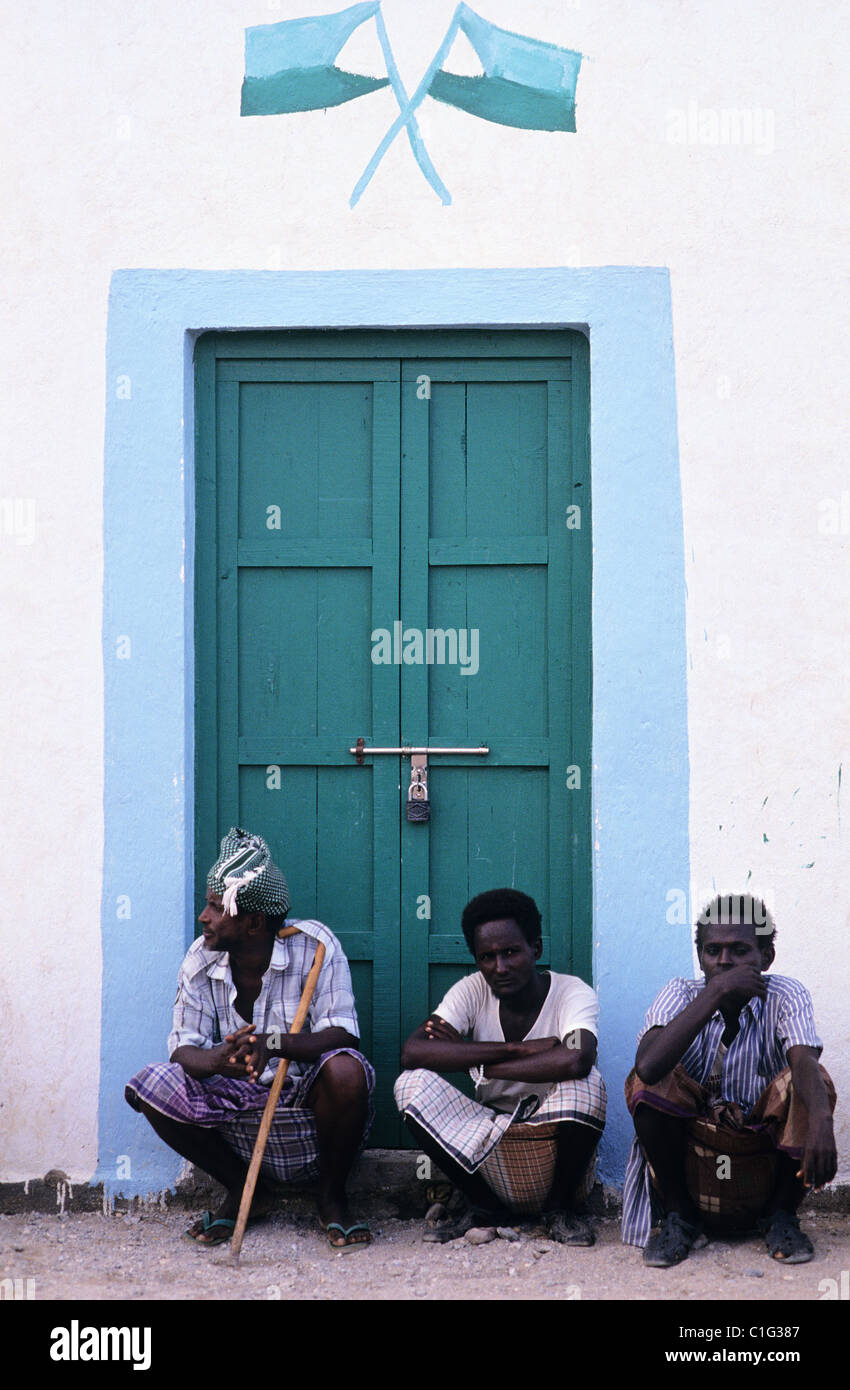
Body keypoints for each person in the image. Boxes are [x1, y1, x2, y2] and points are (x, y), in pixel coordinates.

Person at [125, 827, 374, 1250]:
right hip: (238, 1108)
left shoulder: (315, 946)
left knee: (348, 1070)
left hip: (302, 1107)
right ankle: (245, 1191)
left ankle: (331, 1198)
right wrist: (216, 1060)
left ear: (254, 921)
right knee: (150, 1086)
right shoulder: (200, 958)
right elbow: (183, 1046)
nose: (204, 917)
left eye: (216, 907)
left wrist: (273, 1045)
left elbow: (343, 1032)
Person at [622, 893, 837, 1266]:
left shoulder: (785, 994)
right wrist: (717, 991)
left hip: (760, 1161)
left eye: (739, 950)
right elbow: (650, 1066)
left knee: (810, 1079)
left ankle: (781, 1216)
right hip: (693, 1161)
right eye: (713, 951)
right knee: (645, 1079)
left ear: (766, 957)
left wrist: (822, 1122)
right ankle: (679, 1218)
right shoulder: (679, 993)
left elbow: (804, 1063)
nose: (724, 961)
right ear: (700, 956)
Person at [395, 888, 606, 1243]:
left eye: (511, 953)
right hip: (489, 1151)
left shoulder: (572, 992)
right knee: (409, 1085)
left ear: (535, 949)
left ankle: (560, 1211)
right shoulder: (472, 990)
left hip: (552, 1149)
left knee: (587, 1083)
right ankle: (484, 1207)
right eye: (487, 957)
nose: (500, 967)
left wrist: (483, 1066)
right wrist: (515, 1049)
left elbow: (576, 1057)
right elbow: (414, 1052)